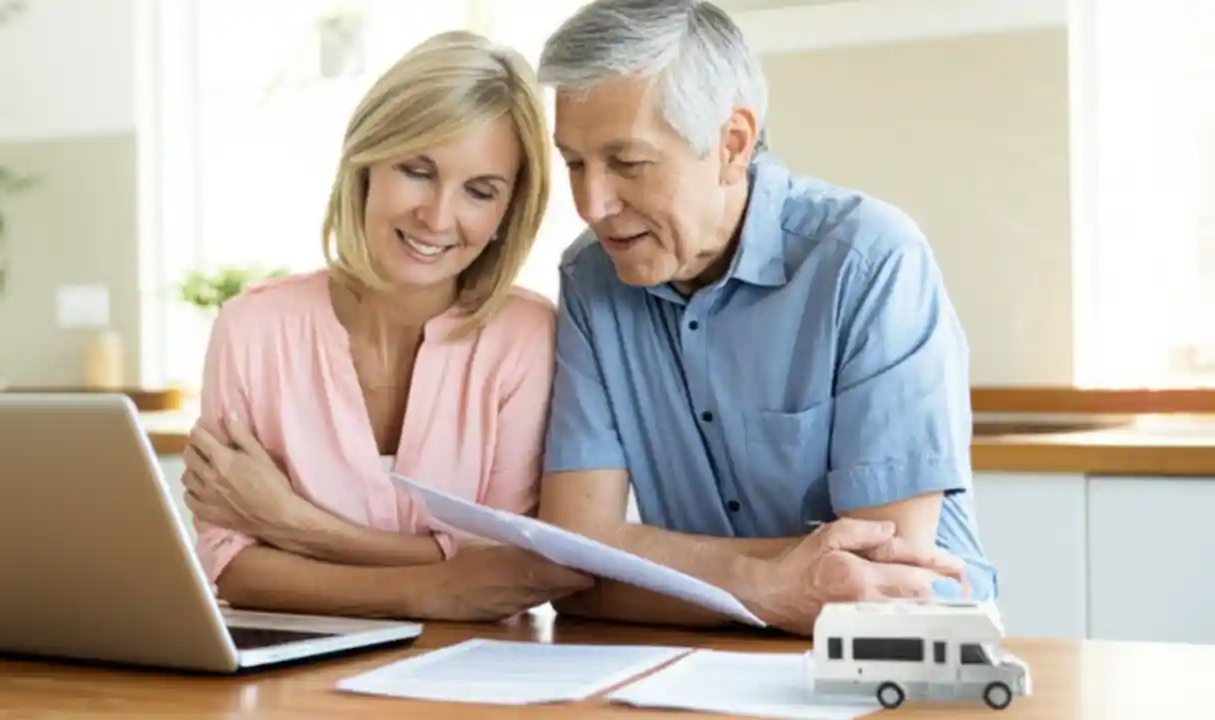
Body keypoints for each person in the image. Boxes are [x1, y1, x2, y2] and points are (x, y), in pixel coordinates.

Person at [534, 0, 996, 634]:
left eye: (627, 163)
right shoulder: (590, 279)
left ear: (732, 144)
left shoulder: (869, 261)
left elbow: (876, 580)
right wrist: (769, 585)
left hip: (905, 657)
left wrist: (646, 561)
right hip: (698, 663)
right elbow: (574, 566)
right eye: (574, 163)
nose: (592, 203)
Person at [179, 31, 592, 622]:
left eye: (479, 191)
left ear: (508, 212)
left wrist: (295, 524)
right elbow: (232, 565)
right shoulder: (253, 329)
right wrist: (432, 589)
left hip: (477, 678)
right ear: (367, 163)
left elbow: (516, 564)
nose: (438, 216)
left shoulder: (527, 339)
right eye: (418, 170)